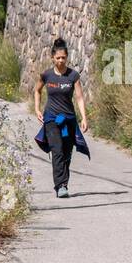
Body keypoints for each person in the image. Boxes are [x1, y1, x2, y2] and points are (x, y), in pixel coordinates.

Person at [33, 36, 90, 198]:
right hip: (51, 119)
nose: (60, 61)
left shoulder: (73, 76)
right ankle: (60, 186)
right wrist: (37, 109)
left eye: (63, 58)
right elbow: (37, 90)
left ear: (67, 58)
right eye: (57, 58)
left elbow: (79, 97)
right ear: (52, 58)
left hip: (69, 119)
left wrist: (84, 118)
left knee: (67, 153)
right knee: (57, 151)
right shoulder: (47, 75)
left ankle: (64, 182)